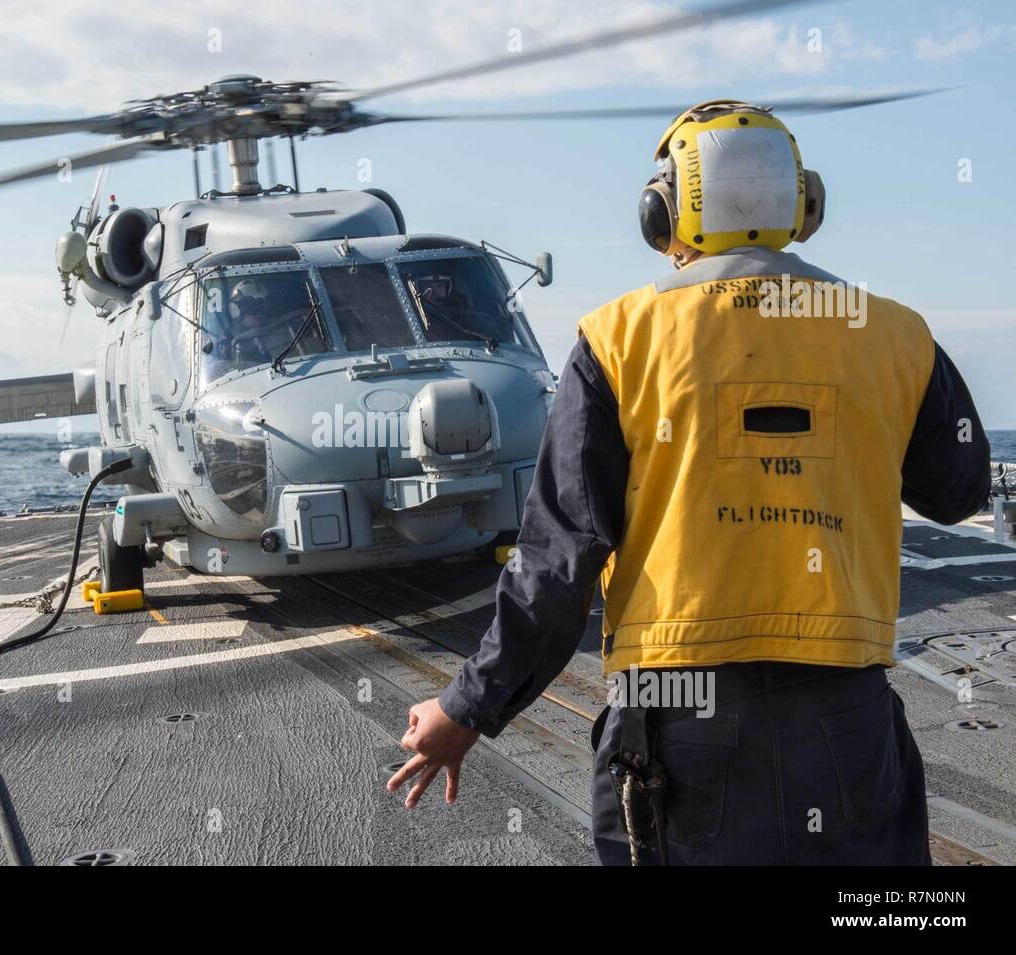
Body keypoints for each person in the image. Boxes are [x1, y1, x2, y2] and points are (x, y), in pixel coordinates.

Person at [386, 100, 991, 865]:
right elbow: (958, 489)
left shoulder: (619, 340)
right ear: (804, 205)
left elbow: (558, 561)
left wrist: (465, 708)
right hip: (847, 721)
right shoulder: (897, 335)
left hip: (676, 724)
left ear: (664, 211)